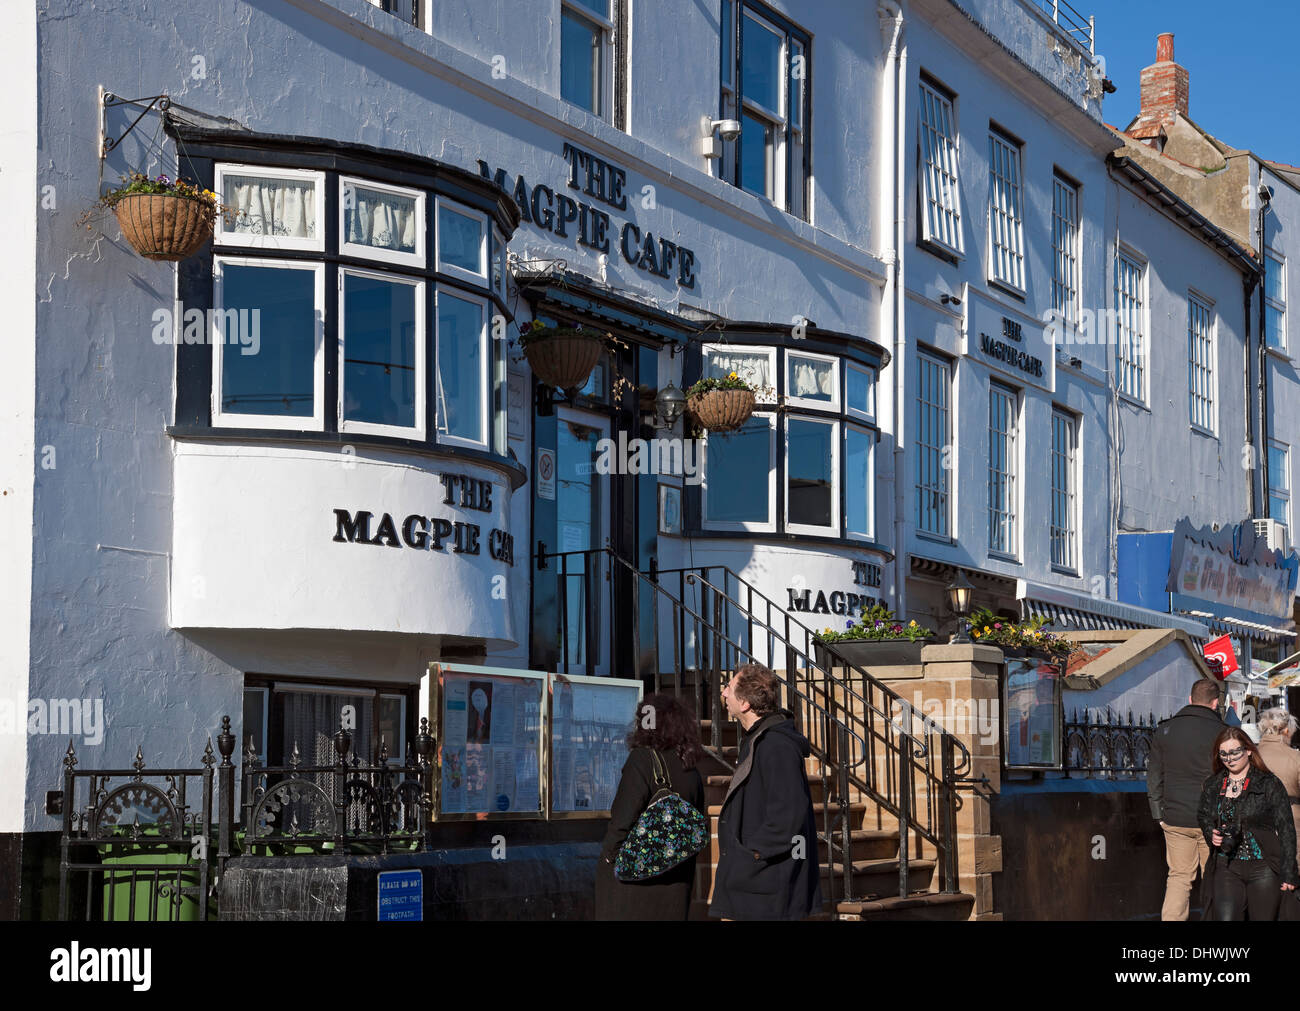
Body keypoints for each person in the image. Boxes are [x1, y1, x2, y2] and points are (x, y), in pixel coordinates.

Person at [709, 663, 822, 921]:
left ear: (746, 703)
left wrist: (751, 855)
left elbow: (788, 814)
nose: (723, 694)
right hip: (755, 886)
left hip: (766, 890)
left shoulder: (775, 745)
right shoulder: (757, 740)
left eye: (728, 687)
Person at [595, 694, 706, 920]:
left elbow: (622, 820)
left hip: (634, 889)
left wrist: (609, 857)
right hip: (676, 883)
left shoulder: (642, 759)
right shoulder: (691, 768)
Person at [1196, 726, 1298, 920]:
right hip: (1226, 867)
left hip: (1264, 867)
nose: (1229, 758)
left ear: (1249, 750)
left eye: (1235, 752)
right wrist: (1211, 833)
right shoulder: (1213, 784)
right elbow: (1202, 815)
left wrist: (1289, 871)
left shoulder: (1269, 783)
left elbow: (1286, 828)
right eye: (1224, 754)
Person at [1147, 678, 1223, 920]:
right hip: (1213, 819)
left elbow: (1154, 776)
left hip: (1175, 816)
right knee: (1215, 877)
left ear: (1190, 700)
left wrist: (1158, 813)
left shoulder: (1165, 730)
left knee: (1179, 877)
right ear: (1215, 703)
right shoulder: (1224, 733)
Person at [1256, 708, 1300, 867]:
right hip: (1290, 820)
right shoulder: (1295, 757)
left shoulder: (1250, 755)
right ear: (1287, 730)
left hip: (1256, 821)